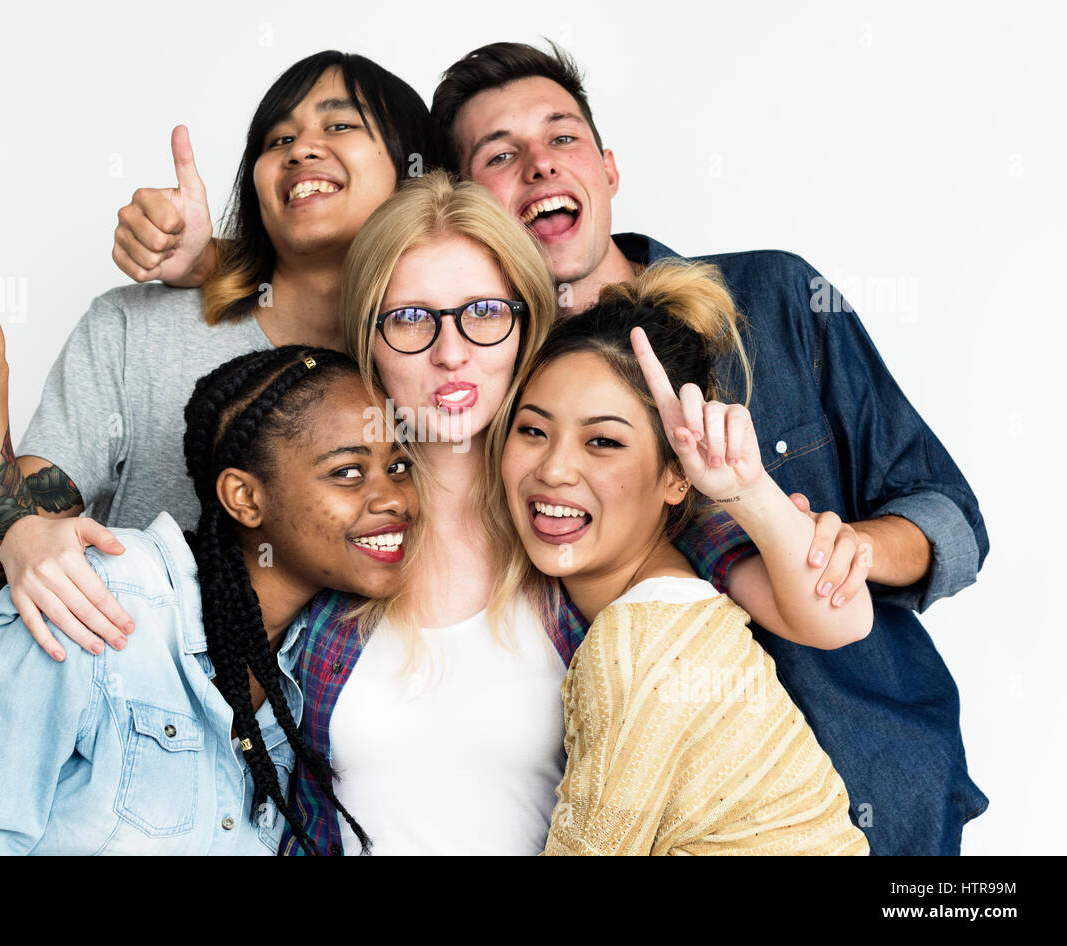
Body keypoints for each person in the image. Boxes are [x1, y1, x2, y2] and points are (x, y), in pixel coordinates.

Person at [424, 40, 988, 854]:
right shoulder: (484, 375)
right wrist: (224, 267)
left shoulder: (775, 296)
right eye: (501, 155)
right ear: (467, 201)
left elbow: (952, 516)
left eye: (562, 137)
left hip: (880, 791)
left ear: (608, 168)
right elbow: (371, 311)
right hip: (655, 811)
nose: (540, 166)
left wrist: (838, 549)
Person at [279, 172, 870, 856]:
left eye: (483, 312)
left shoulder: (585, 519)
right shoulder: (326, 523)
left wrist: (747, 492)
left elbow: (838, 619)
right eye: (410, 318)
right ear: (367, 339)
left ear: (525, 324)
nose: (450, 351)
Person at [0, 50, 437, 660]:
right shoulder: (136, 328)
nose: (301, 148)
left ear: (414, 171)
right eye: (278, 137)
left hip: (329, 738)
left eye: (339, 125)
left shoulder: (447, 355)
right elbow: (0, 557)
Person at [0, 345, 416, 854]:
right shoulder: (91, 599)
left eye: (398, 466)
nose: (392, 497)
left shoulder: (312, 676)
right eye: (347, 472)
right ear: (244, 498)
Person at [492, 263, 868, 855]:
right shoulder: (677, 600)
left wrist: (746, 488)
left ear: (676, 477)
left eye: (603, 441)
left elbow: (845, 616)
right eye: (533, 431)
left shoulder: (639, 640)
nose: (554, 469)